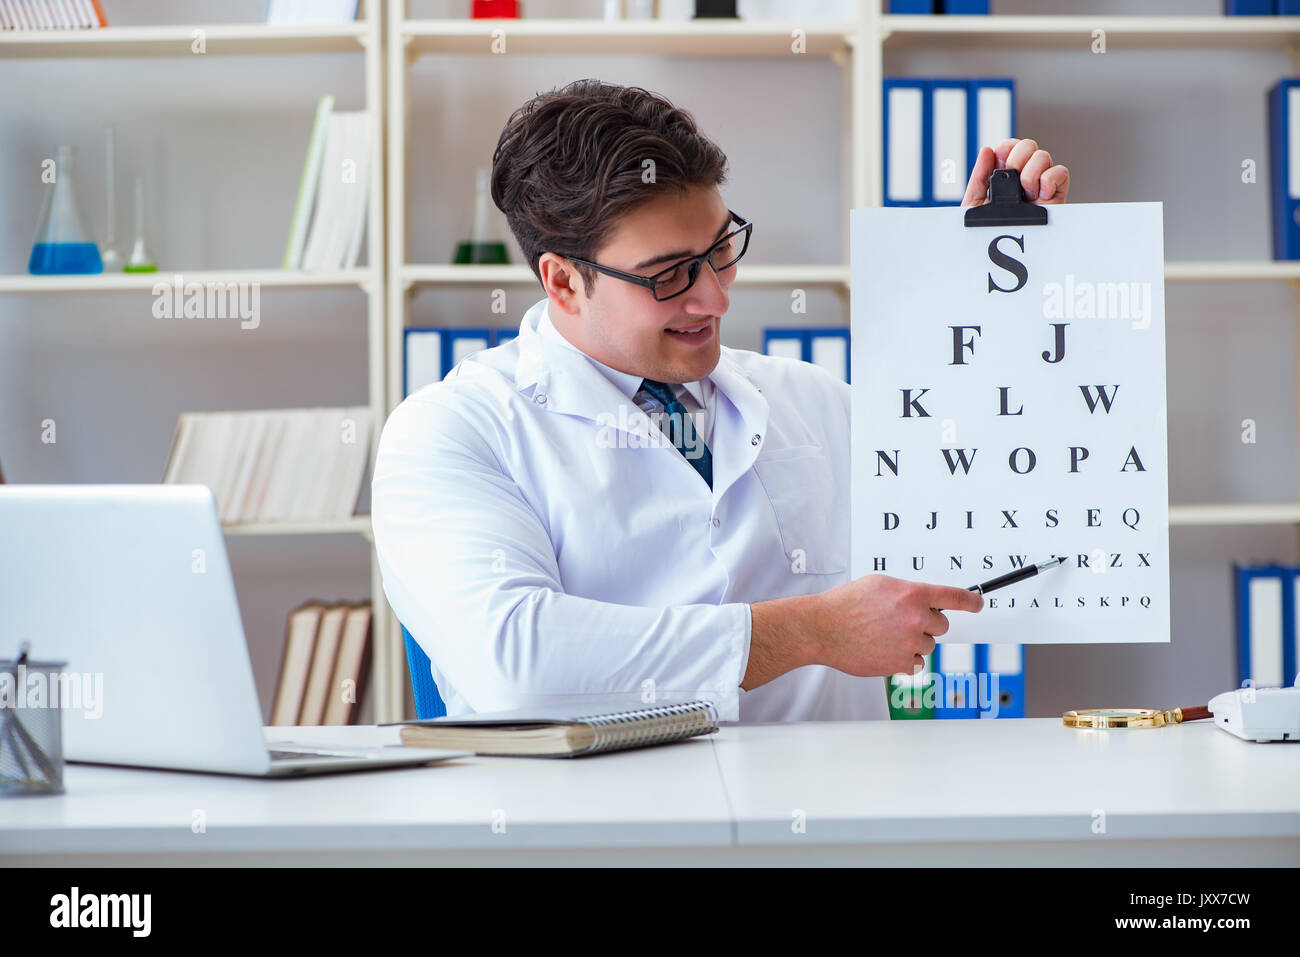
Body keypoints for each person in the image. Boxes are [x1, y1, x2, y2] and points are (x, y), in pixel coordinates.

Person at [371, 79, 1071, 722]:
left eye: (720, 248)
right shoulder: (451, 432)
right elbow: (517, 668)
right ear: (561, 282)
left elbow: (995, 539)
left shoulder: (812, 399)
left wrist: (997, 293)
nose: (715, 295)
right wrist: (813, 630)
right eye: (670, 274)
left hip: (841, 826)